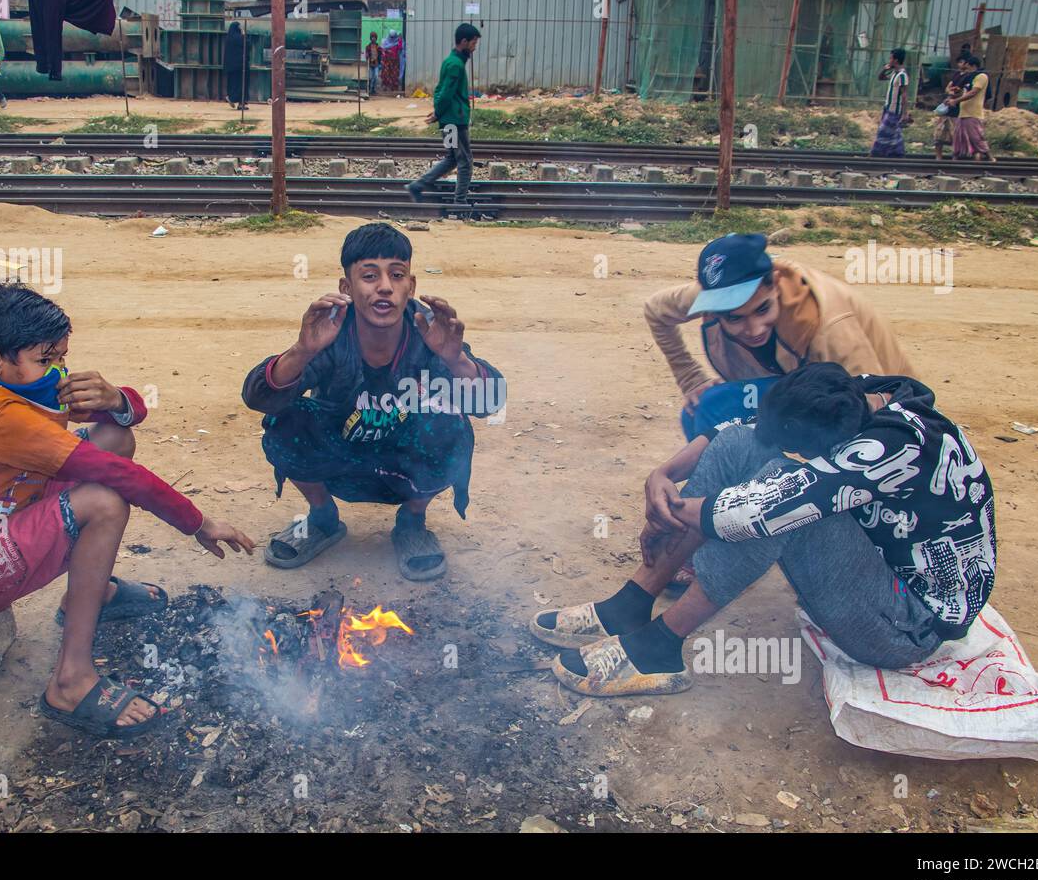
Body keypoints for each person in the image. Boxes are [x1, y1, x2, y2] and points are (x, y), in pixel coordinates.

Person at [0, 283, 255, 737]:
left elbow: (126, 420)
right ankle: (71, 681)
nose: (59, 369)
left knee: (115, 438)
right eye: (46, 359)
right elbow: (122, 479)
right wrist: (199, 523)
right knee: (104, 502)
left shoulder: (13, 384)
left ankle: (88, 593)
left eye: (62, 356)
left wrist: (116, 399)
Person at [533, 363, 996, 697]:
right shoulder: (861, 395)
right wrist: (662, 475)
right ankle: (632, 604)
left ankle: (661, 647)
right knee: (744, 448)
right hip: (877, 574)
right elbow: (742, 429)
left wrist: (674, 510)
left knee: (779, 505)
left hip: (906, 626)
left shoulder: (894, 447)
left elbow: (758, 512)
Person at [242, 223, 505, 581]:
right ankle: (322, 519)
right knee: (284, 420)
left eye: (397, 275)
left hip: (403, 461)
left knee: (449, 424)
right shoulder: (332, 331)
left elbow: (490, 404)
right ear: (346, 288)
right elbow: (258, 398)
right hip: (338, 457)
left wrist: (455, 360)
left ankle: (412, 523)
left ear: (410, 285)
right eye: (369, 276)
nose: (384, 286)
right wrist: (302, 351)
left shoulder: (428, 331)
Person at [644, 233, 916, 442]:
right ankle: (727, 494)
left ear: (774, 282)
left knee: (716, 407)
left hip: (881, 404)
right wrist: (690, 378)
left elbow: (874, 402)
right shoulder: (713, 296)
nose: (753, 329)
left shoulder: (830, 325)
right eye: (734, 318)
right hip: (802, 387)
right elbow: (656, 310)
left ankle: (735, 503)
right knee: (696, 411)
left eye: (762, 309)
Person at [406, 23, 480, 207]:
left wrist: (439, 113)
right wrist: (439, 113)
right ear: (464, 42)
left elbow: (441, 91)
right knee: (465, 161)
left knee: (452, 158)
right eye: (473, 43)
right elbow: (446, 92)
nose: (475, 47)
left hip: (449, 119)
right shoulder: (455, 65)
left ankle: (417, 185)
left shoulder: (450, 61)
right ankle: (460, 202)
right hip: (455, 121)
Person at [953, 54, 996, 162]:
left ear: (974, 66)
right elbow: (965, 93)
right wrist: (952, 98)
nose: (966, 70)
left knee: (976, 137)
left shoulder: (981, 76)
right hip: (963, 112)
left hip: (973, 113)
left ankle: (990, 157)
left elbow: (973, 92)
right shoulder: (969, 78)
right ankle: (955, 159)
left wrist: (956, 101)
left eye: (968, 68)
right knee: (959, 137)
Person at [933, 45, 972, 160]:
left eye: (962, 62)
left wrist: (954, 94)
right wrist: (951, 92)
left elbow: (965, 93)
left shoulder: (969, 77)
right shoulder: (956, 75)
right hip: (947, 108)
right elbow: (947, 88)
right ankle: (938, 156)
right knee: (939, 134)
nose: (960, 65)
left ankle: (955, 158)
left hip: (958, 109)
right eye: (959, 62)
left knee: (955, 135)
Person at [870, 47, 909, 157]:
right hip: (888, 107)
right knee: (894, 134)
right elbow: (881, 77)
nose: (889, 60)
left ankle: (875, 155)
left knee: (883, 132)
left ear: (896, 60)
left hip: (895, 110)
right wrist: (885, 69)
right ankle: (897, 154)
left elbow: (904, 95)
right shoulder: (894, 73)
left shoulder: (902, 75)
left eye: (891, 58)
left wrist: (905, 113)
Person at [224, 20, 248, 110]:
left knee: (233, 83)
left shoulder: (229, 38)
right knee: (241, 84)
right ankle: (235, 99)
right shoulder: (239, 38)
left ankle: (235, 99)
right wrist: (244, 34)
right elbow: (247, 44)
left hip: (231, 66)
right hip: (240, 65)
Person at [379, 28, 403, 92]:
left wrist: (400, 40)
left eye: (393, 37)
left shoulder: (397, 42)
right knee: (386, 73)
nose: (392, 38)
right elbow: (382, 49)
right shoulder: (385, 41)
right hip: (386, 60)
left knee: (394, 74)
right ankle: (385, 87)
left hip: (394, 61)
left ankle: (393, 87)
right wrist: (387, 51)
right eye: (391, 37)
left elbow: (400, 48)